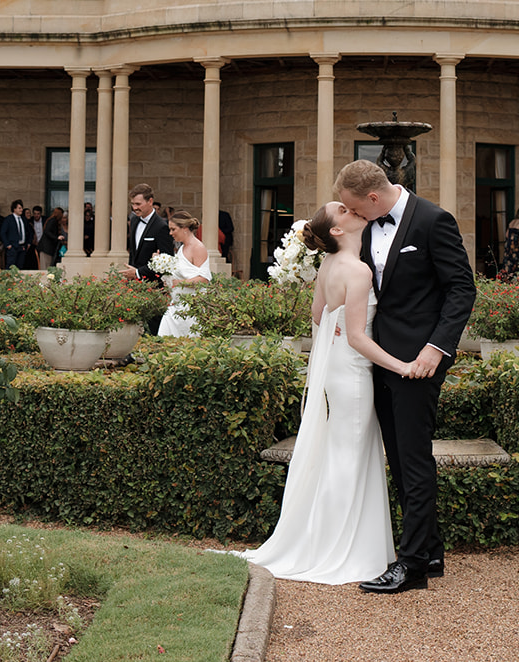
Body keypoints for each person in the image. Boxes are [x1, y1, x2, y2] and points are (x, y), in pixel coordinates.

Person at [240, 201, 411, 584]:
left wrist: (335, 330)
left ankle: (335, 539)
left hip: (337, 369)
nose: (352, 209)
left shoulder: (327, 267)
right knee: (349, 456)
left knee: (343, 452)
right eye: (345, 210)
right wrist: (401, 366)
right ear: (337, 230)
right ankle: (339, 547)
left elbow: (319, 316)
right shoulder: (358, 270)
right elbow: (356, 336)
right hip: (352, 372)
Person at [336, 160, 476, 593]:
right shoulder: (366, 229)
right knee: (397, 458)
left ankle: (412, 564)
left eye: (354, 206)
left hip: (418, 362)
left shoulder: (434, 220)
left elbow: (461, 288)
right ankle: (430, 550)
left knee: (413, 460)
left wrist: (436, 349)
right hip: (376, 359)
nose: (352, 214)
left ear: (373, 198)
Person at [158, 211, 213, 337]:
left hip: (191, 307)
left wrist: (180, 283)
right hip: (175, 305)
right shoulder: (182, 248)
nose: (170, 233)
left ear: (185, 229)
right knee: (163, 338)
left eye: (173, 229)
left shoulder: (198, 248)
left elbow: (204, 279)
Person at [0, 200, 28, 270]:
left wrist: (27, 243)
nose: (21, 210)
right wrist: (8, 245)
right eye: (19, 208)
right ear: (14, 209)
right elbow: (3, 232)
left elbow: (28, 232)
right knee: (10, 266)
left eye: (21, 208)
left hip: (22, 247)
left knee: (20, 267)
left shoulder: (24, 219)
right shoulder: (8, 219)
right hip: (12, 247)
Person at [37, 206, 67, 270]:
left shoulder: (52, 220)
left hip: (48, 249)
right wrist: (57, 238)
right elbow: (47, 232)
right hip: (46, 249)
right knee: (45, 267)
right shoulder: (52, 221)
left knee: (48, 266)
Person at [502, 207, 519, 274]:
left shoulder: (512, 222)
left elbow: (506, 235)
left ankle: (507, 275)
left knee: (508, 260)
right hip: (515, 245)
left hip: (508, 244)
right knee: (516, 261)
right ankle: (514, 276)